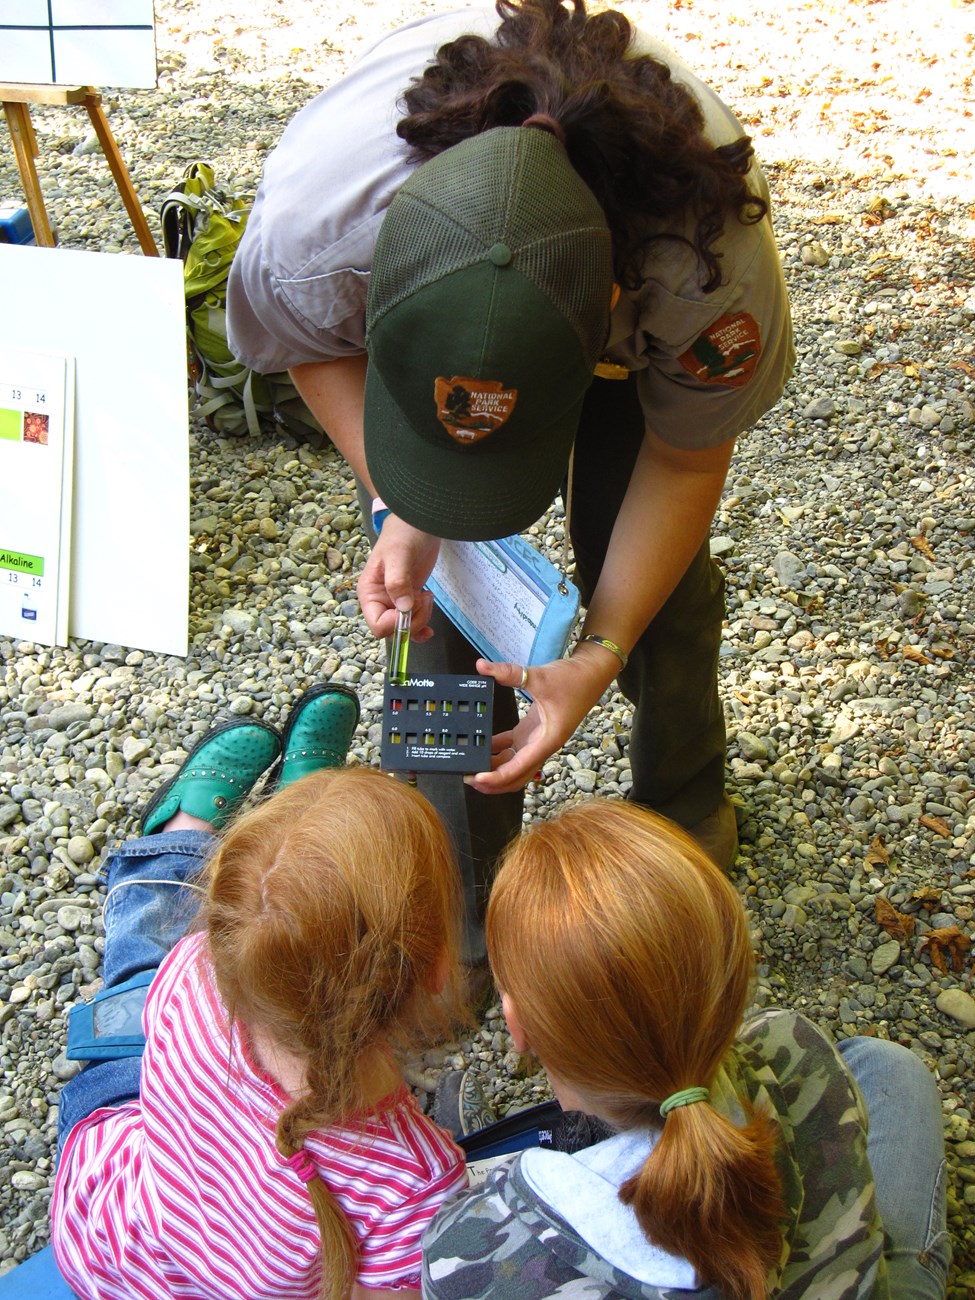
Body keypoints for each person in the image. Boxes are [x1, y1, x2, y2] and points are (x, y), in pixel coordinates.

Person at [227, 0, 795, 959]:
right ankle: (462, 896)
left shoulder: (700, 266)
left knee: (656, 593)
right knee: (440, 609)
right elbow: (307, 345)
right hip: (422, 284)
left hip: (622, 293)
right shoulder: (316, 239)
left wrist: (601, 648)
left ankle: (685, 812)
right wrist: (402, 502)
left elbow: (684, 454)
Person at [422, 800, 952, 1299]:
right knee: (887, 1066)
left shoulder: (464, 1257)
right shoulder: (790, 1047)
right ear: (732, 987)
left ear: (517, 1026)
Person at [50, 685, 469, 1300]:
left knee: (142, 974)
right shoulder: (418, 1187)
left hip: (107, 1242)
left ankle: (184, 835)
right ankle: (299, 869)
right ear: (438, 971)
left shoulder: (192, 967)